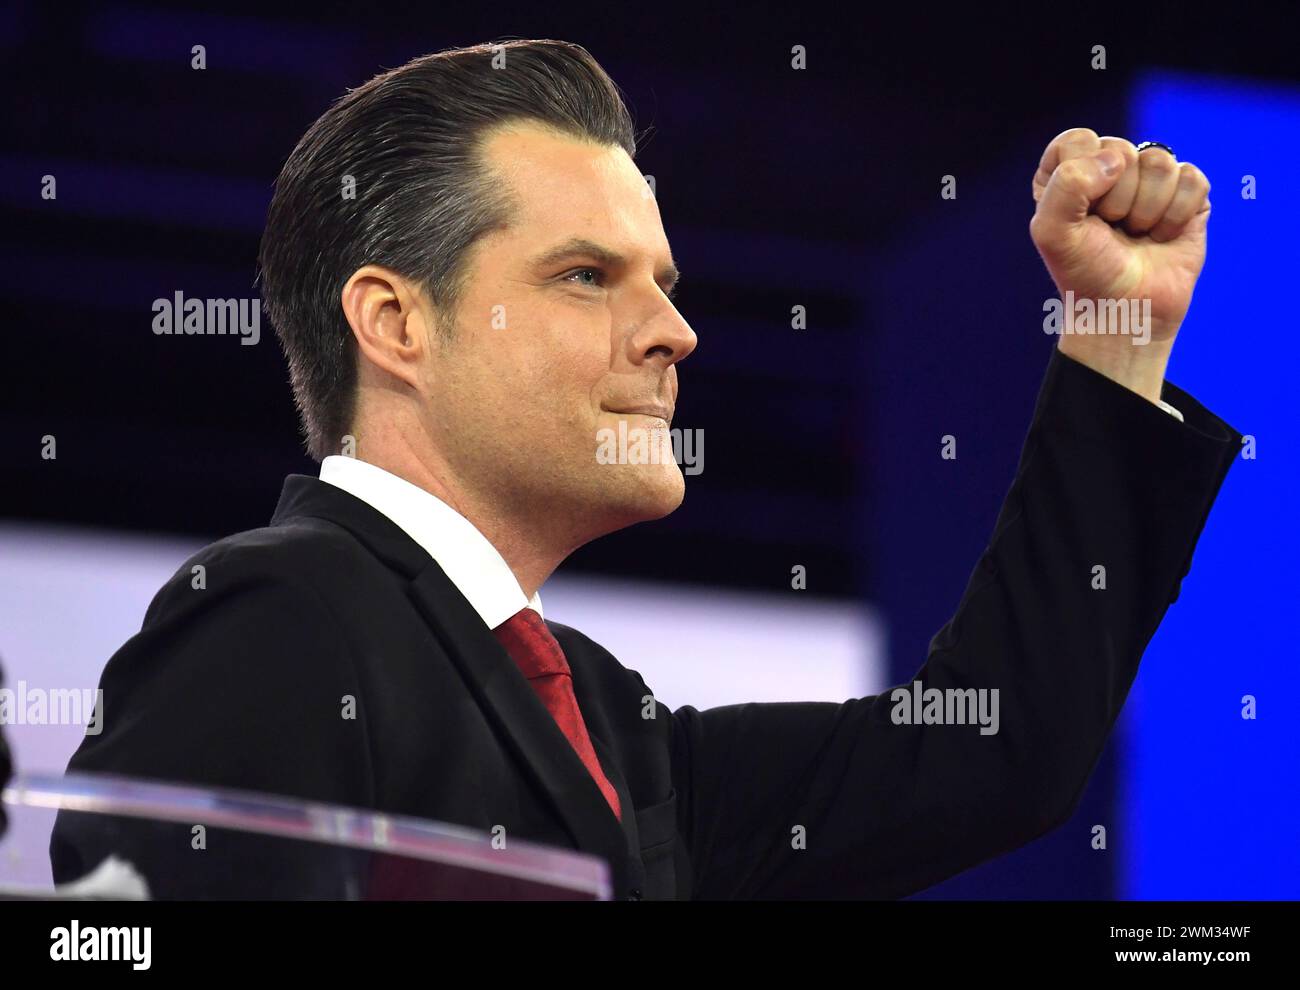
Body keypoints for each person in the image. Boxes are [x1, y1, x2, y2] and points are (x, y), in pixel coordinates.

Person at [51, 39, 1239, 900]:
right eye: (586, 276)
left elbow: (991, 756)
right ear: (396, 324)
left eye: (662, 282)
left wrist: (1115, 335)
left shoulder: (610, 722)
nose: (675, 332)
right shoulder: (282, 618)